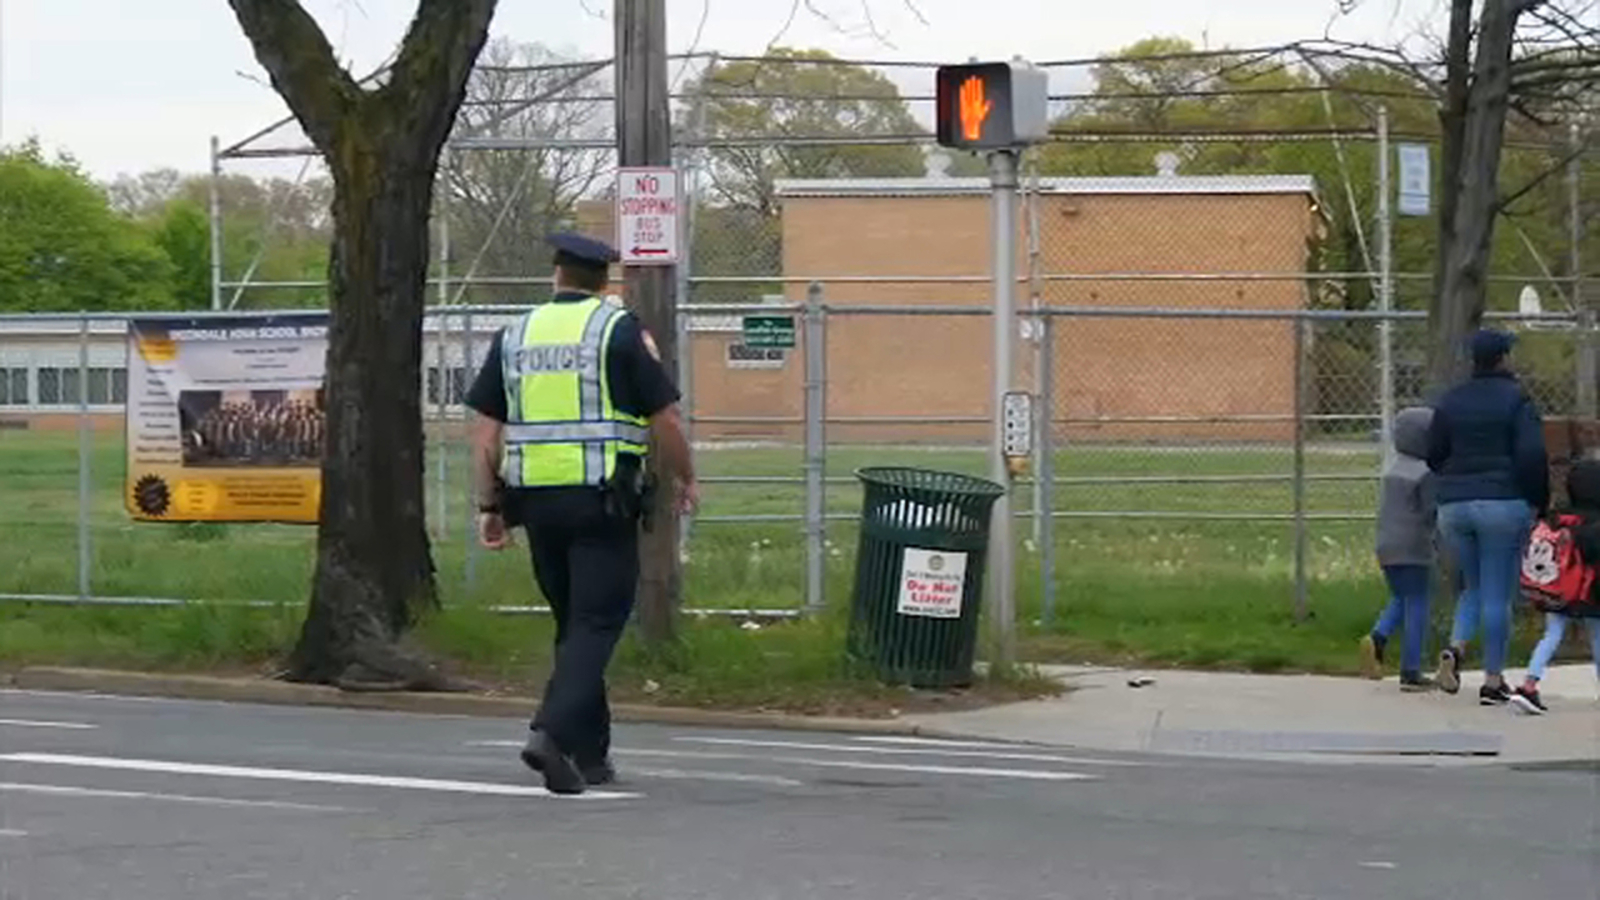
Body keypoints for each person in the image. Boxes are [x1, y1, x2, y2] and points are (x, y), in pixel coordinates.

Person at [464, 232, 697, 796]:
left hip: (535, 504)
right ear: (604, 281)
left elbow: (485, 437)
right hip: (600, 501)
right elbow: (664, 418)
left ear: (556, 275)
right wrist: (686, 477)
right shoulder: (616, 330)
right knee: (597, 623)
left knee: (574, 624)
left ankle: (590, 756)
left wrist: (489, 506)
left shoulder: (515, 334)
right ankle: (551, 733)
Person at [1427, 328, 1549, 705]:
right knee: (1498, 595)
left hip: (1454, 506)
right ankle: (1493, 680)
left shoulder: (1450, 400)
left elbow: (1434, 451)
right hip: (1503, 503)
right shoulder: (1517, 400)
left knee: (1473, 586)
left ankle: (1456, 648)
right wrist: (1539, 501)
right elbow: (1531, 455)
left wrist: (1453, 480)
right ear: (1503, 358)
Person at [1511, 457, 1600, 715]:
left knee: (1551, 635)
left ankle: (1529, 684)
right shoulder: (1594, 523)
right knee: (1597, 638)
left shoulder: (1558, 517)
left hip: (1557, 589)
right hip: (1589, 592)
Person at [1360, 406, 1437, 691]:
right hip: (1414, 547)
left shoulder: (1393, 470)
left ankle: (1378, 638)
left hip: (1386, 545)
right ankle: (1411, 669)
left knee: (1401, 596)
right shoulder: (1426, 473)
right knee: (1418, 602)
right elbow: (1430, 512)